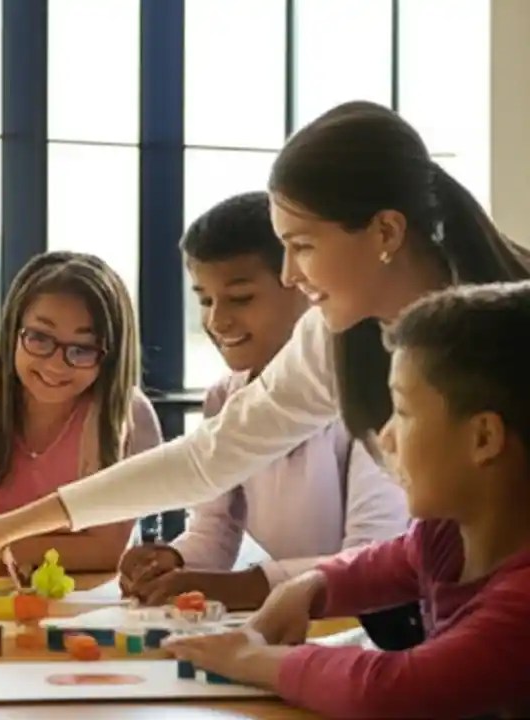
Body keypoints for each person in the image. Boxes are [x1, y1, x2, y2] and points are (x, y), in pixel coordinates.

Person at [0, 101, 530, 643]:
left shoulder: (506, 329)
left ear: (386, 232)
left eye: (303, 246)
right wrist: (5, 527)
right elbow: (207, 457)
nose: (291, 275)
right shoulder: (337, 339)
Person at [164, 282, 530, 719]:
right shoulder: (444, 536)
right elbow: (380, 564)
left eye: (404, 413)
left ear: (484, 438)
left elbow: (393, 691)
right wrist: (309, 587)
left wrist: (246, 659)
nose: (387, 435)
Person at [119, 192, 408, 609]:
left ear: (303, 286)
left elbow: (371, 555)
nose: (217, 320)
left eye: (240, 298)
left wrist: (244, 587)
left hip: (379, 629)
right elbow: (215, 531)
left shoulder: (367, 393)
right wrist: (173, 561)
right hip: (303, 620)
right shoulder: (225, 397)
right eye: (204, 299)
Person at [0, 252, 161, 572]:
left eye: (82, 349)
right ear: (13, 331)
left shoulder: (129, 416)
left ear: (109, 356)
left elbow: (107, 551)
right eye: (39, 338)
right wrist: (45, 550)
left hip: (84, 614)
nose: (55, 364)